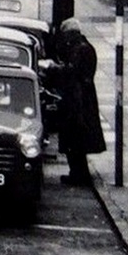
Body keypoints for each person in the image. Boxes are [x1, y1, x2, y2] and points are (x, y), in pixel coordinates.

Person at [52, 18, 106, 186]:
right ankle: (77, 173)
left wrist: (54, 68)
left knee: (75, 138)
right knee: (76, 139)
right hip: (82, 98)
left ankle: (78, 174)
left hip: (78, 101)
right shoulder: (84, 47)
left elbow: (72, 72)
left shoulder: (80, 49)